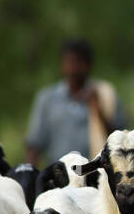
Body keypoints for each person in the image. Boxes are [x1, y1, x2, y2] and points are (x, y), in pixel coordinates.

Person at [24, 38, 127, 166]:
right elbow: (34, 144)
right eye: (68, 62)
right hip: (59, 178)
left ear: (89, 65)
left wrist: (97, 109)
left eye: (78, 62)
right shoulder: (47, 99)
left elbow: (120, 142)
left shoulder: (105, 94)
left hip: (97, 175)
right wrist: (31, 178)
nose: (73, 68)